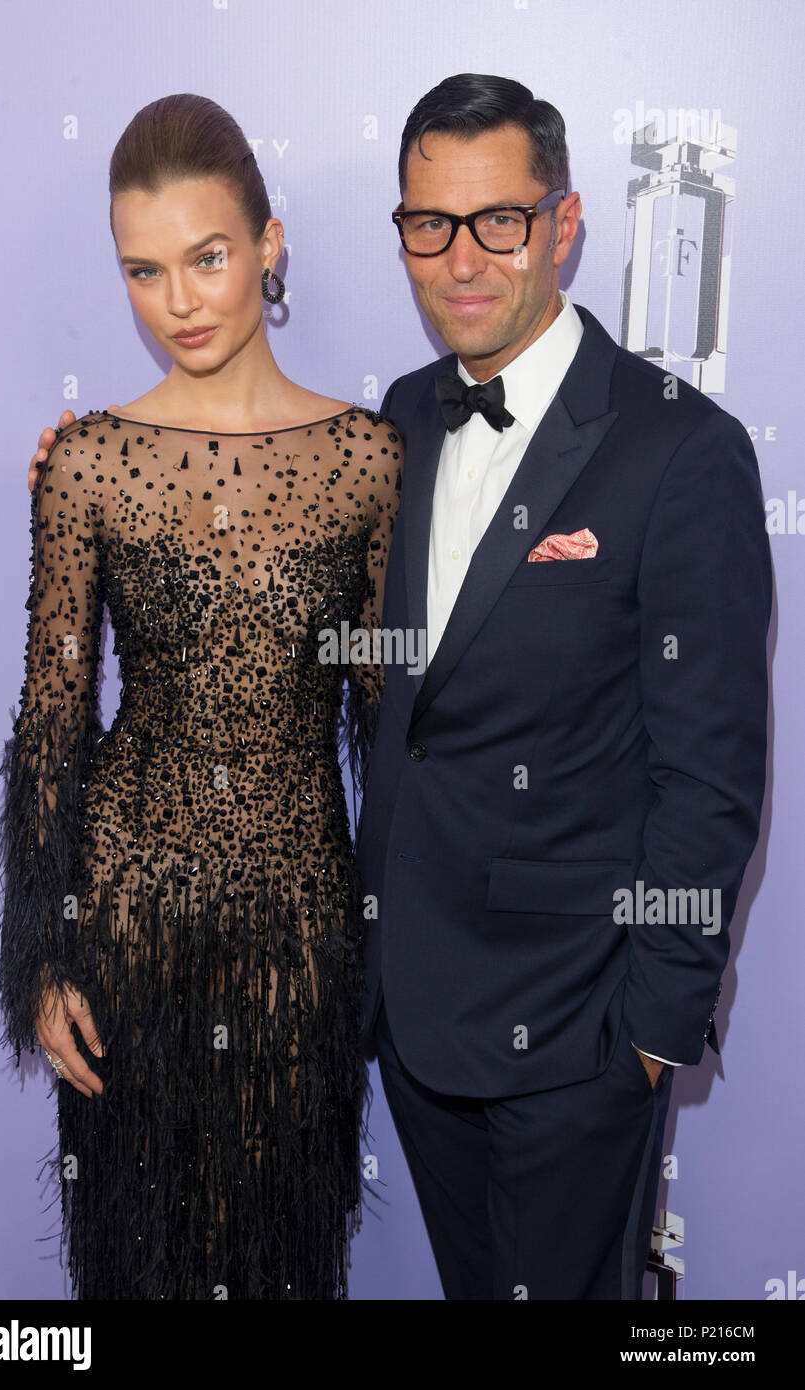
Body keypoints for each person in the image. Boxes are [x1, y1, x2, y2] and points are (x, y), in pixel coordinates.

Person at [352, 74, 772, 1299]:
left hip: (579, 1033)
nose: (462, 259)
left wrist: (649, 1031)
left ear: (565, 223)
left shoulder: (682, 450)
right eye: (429, 223)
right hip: (416, 1018)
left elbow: (709, 774)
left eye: (500, 219)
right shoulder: (401, 421)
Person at [0, 92, 401, 1300]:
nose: (179, 300)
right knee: (137, 1261)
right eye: (143, 270)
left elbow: (389, 735)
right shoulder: (86, 461)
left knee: (280, 1258)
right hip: (128, 916)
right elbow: (52, 719)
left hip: (299, 929)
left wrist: (396, 948)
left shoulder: (372, 460)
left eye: (208, 257)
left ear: (267, 247)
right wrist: (42, 959)